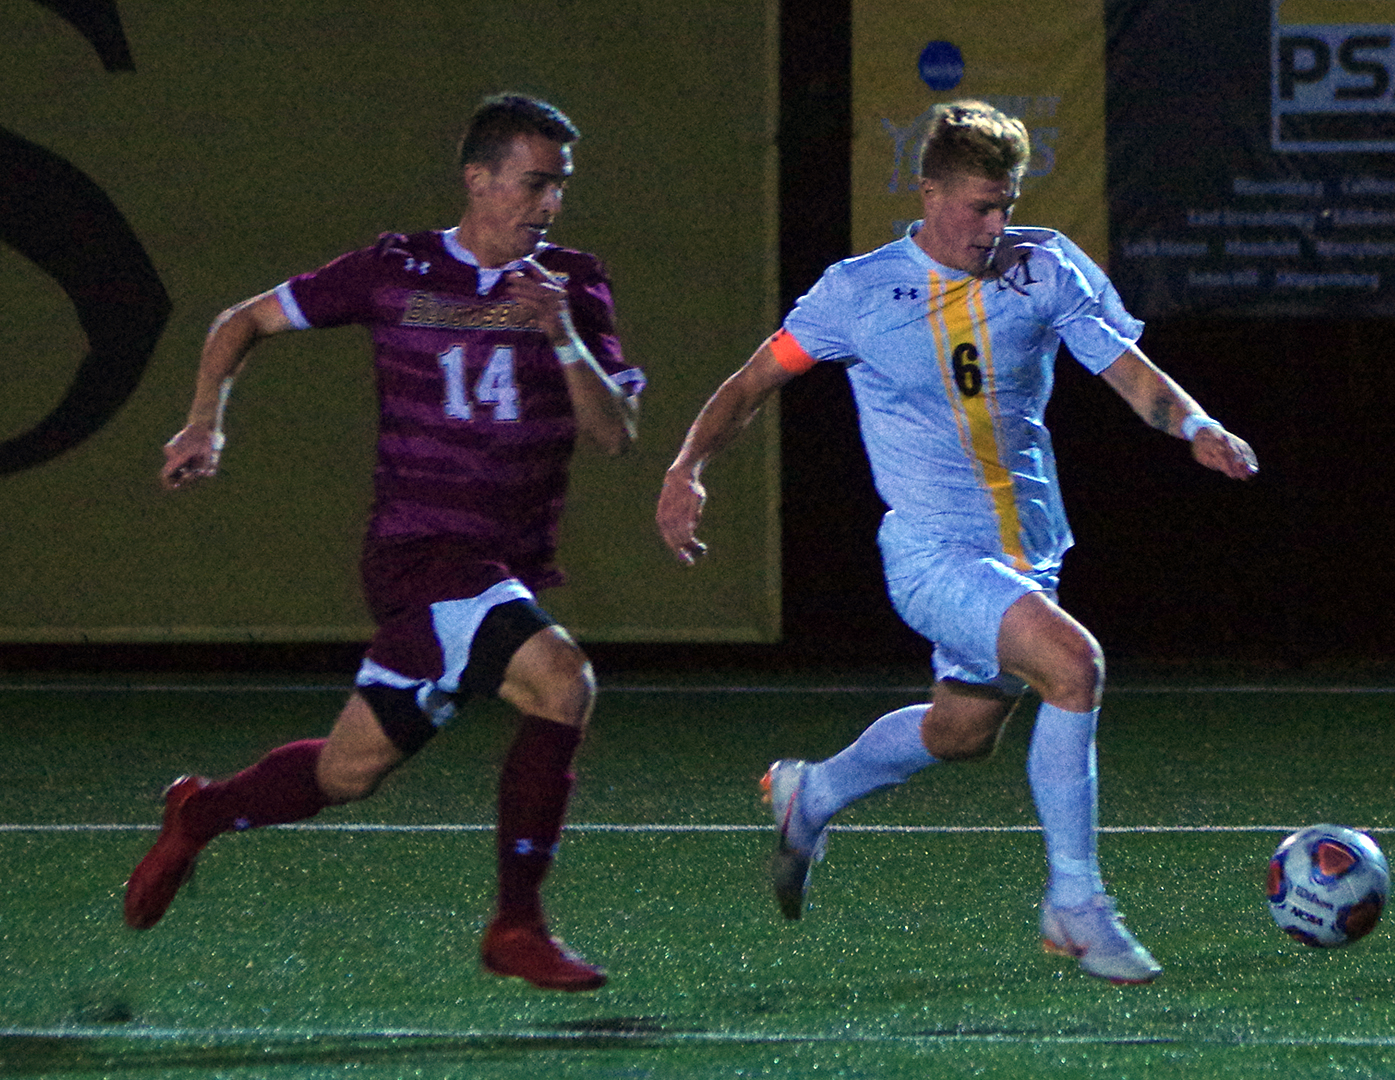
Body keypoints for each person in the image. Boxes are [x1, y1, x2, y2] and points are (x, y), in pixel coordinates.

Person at [655, 100, 1257, 985]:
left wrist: (1196, 425)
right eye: (979, 206)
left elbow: (1128, 373)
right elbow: (752, 384)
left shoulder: (1045, 269)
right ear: (930, 192)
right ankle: (1075, 905)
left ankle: (810, 794)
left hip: (1031, 550)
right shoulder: (857, 293)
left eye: (1006, 204)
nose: (995, 225)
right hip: (931, 556)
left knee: (963, 729)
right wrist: (687, 468)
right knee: (1074, 666)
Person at [125, 94, 643, 993]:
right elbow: (241, 320)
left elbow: (615, 434)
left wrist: (558, 333)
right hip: (422, 554)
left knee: (346, 772)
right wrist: (203, 422)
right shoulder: (394, 268)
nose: (548, 204)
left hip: (494, 571)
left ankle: (202, 813)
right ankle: (516, 926)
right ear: (477, 179)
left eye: (559, 186)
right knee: (563, 685)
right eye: (533, 183)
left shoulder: (573, 285)